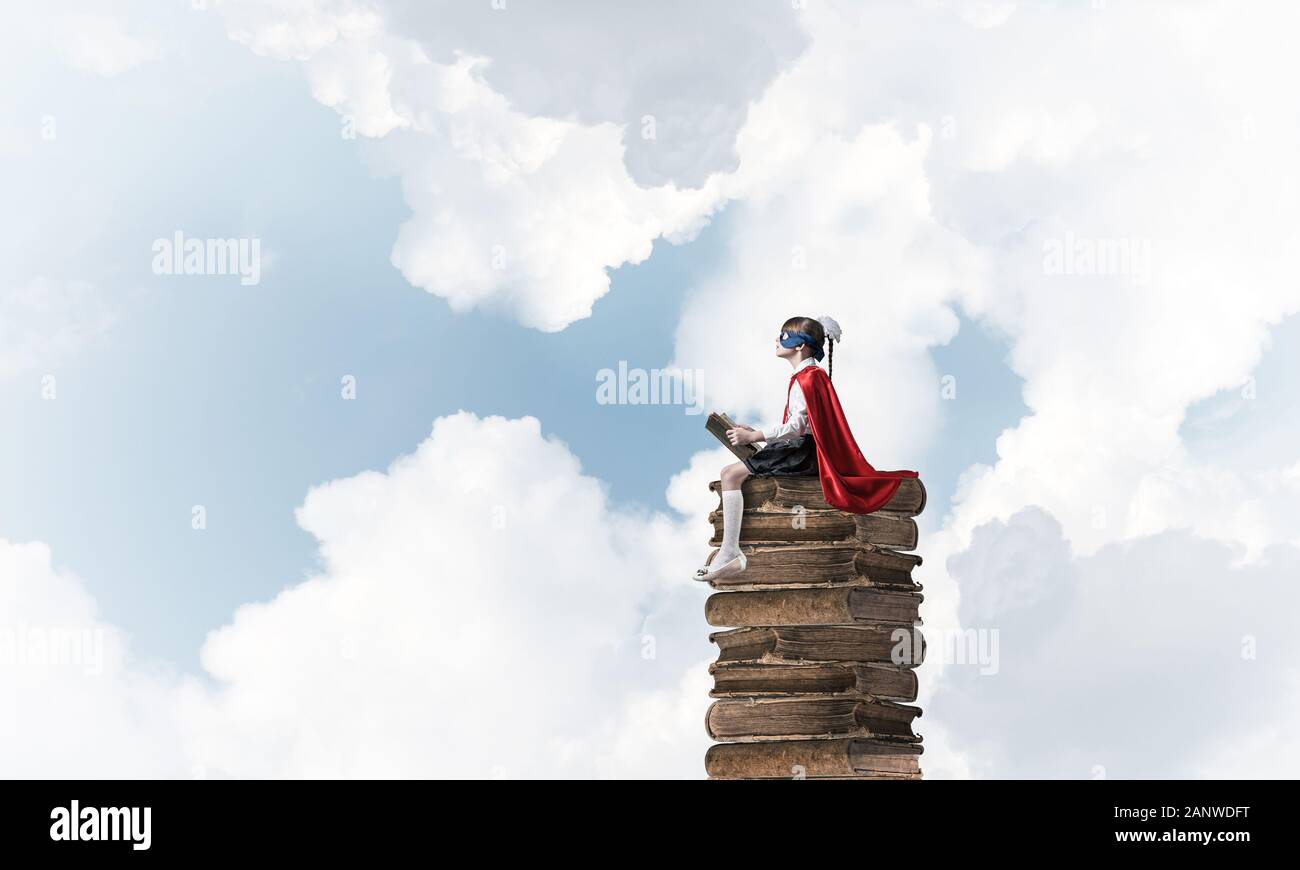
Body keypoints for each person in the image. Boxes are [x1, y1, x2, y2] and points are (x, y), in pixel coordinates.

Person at [695, 315, 919, 582]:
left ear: (800, 346)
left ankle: (731, 552)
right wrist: (757, 434)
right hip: (800, 447)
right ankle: (731, 552)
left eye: (784, 336)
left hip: (802, 452)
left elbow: (798, 426)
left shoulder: (809, 378)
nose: (777, 341)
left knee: (730, 474)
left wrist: (755, 435)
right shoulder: (810, 376)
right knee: (735, 472)